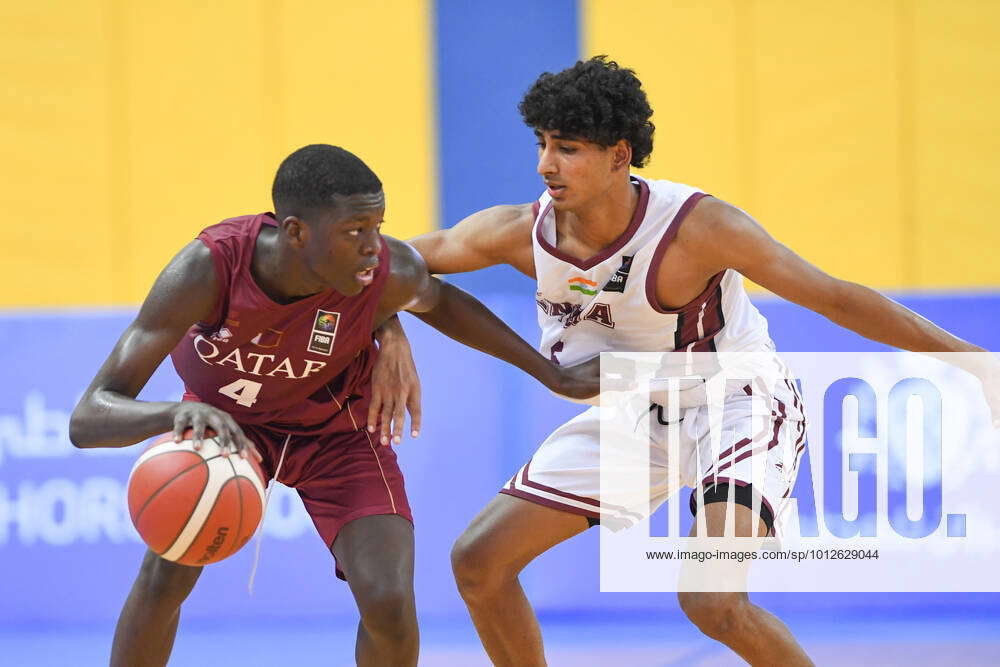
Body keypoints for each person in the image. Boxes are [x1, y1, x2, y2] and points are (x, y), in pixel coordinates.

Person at [399, 56, 1000, 666]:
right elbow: (391, 265)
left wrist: (976, 361)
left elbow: (834, 297)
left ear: (619, 154)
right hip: (640, 412)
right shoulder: (517, 231)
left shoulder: (699, 227)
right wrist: (385, 324)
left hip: (737, 401)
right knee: (478, 562)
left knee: (711, 601)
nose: (546, 165)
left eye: (569, 148)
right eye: (543, 143)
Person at [68, 144, 599, 667]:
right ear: (296, 231)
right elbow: (89, 416)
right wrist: (172, 414)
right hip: (227, 429)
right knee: (166, 575)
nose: (374, 245)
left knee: (388, 601)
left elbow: (440, 301)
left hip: (338, 433)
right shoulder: (210, 267)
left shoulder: (383, 270)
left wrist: (549, 373)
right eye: (355, 231)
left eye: (377, 226)